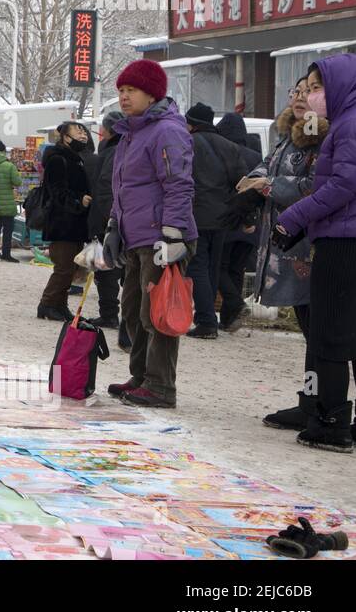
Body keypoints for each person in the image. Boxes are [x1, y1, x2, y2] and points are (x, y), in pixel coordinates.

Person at [273, 54, 356, 453]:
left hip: (344, 243)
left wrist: (294, 216)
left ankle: (330, 422)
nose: (310, 96)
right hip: (349, 237)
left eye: (316, 87)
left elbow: (343, 186)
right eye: (307, 88)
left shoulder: (350, 124)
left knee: (328, 334)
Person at [102, 60, 196, 409]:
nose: (124, 98)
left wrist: (173, 236)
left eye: (131, 91)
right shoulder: (132, 133)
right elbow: (123, 188)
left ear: (151, 93)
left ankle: (161, 385)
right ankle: (140, 375)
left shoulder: (167, 131)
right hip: (135, 237)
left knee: (157, 313)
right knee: (133, 311)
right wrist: (114, 226)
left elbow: (178, 185)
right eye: (121, 91)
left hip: (161, 237)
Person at [246, 78, 325, 431]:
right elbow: (266, 165)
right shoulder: (288, 134)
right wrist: (257, 178)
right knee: (312, 332)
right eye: (296, 91)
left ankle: (320, 405)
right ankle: (311, 401)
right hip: (286, 242)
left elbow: (316, 187)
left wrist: (268, 186)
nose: (300, 97)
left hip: (310, 247)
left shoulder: (326, 138)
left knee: (322, 333)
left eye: (310, 90)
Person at [183, 102, 255, 340]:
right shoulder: (229, 146)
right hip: (223, 218)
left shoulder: (188, 144)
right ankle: (209, 320)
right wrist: (244, 217)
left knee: (197, 267)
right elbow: (242, 185)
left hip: (196, 216)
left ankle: (206, 321)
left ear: (191, 123)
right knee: (213, 268)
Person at [36, 122, 93, 321]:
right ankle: (47, 303)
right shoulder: (58, 159)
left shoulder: (78, 158)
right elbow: (57, 191)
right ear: (65, 137)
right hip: (62, 223)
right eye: (78, 131)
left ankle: (60, 305)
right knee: (64, 268)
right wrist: (78, 200)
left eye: (84, 131)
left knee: (71, 268)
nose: (83, 134)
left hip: (75, 223)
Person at [214, 111, 264, 331]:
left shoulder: (222, 153)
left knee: (217, 268)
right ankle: (229, 318)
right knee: (237, 270)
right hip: (251, 223)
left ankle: (235, 304)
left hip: (228, 220)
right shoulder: (255, 156)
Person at [87, 111, 127, 348]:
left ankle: (110, 312)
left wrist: (108, 218)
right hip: (117, 216)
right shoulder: (121, 148)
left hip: (110, 219)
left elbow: (105, 188)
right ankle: (111, 312)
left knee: (106, 268)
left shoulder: (112, 151)